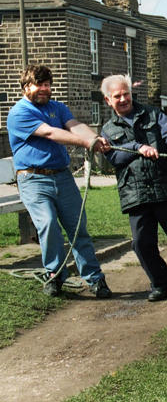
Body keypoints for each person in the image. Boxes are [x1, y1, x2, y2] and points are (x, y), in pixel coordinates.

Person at [7, 64, 112, 298]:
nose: (44, 89)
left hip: (62, 177)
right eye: (39, 85)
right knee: (48, 225)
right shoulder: (19, 112)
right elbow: (50, 133)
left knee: (78, 228)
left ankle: (95, 278)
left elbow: (75, 126)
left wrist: (94, 138)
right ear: (26, 87)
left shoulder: (58, 108)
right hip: (33, 179)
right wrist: (86, 144)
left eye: (47, 85)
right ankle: (54, 275)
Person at [100, 75, 167, 302]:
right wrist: (137, 147)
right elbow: (114, 157)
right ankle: (160, 285)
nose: (123, 99)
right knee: (141, 243)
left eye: (125, 94)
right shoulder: (107, 130)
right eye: (117, 96)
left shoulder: (153, 114)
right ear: (108, 100)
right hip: (136, 193)